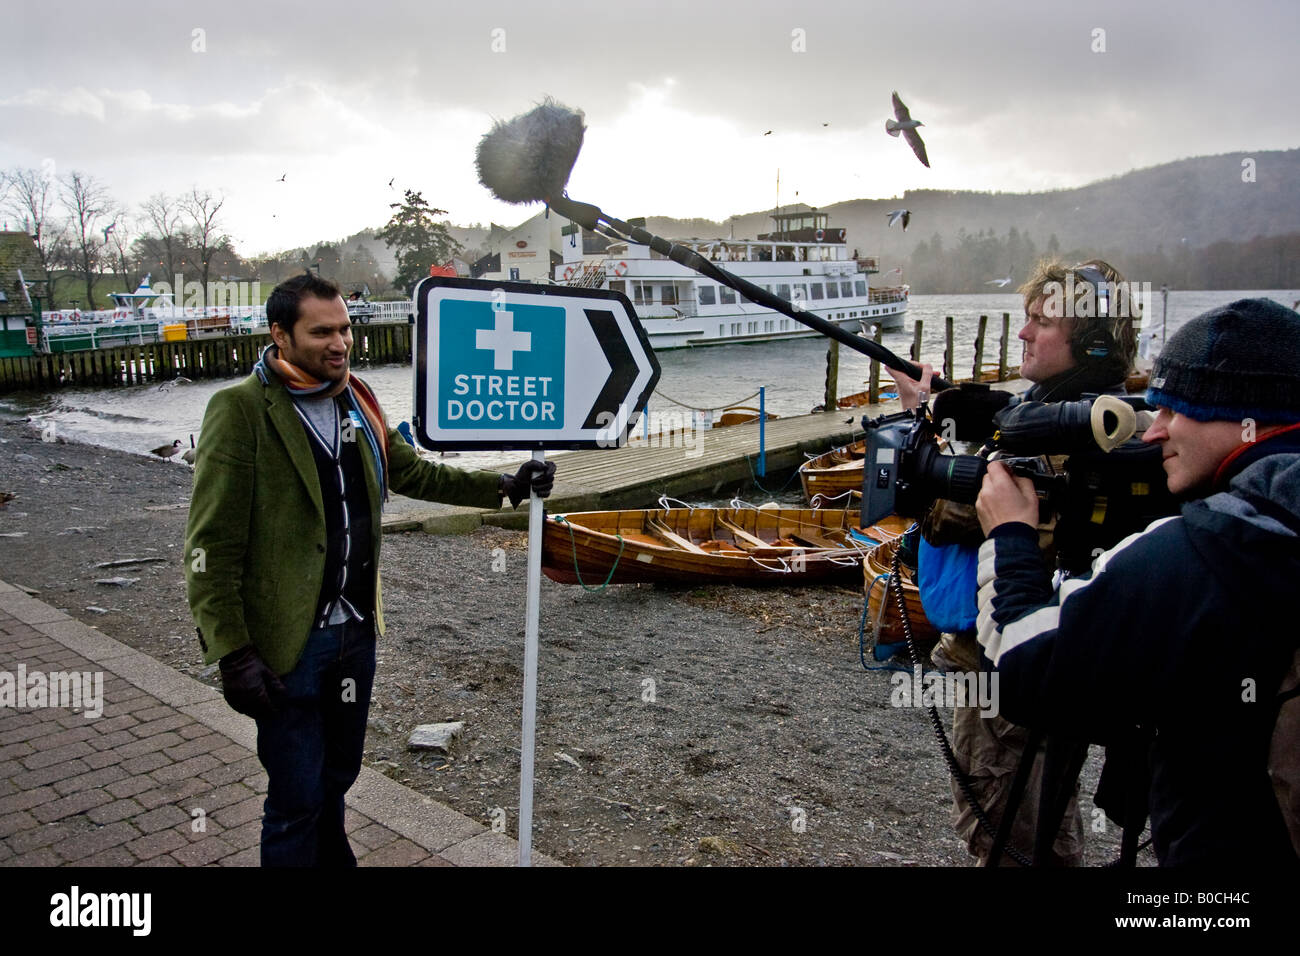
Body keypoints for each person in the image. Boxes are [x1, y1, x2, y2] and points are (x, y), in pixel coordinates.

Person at [185, 272, 555, 867]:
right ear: (280, 334)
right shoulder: (240, 410)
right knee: (295, 796)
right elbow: (210, 545)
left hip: (354, 635)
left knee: (337, 776)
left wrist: (505, 485)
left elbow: (415, 473)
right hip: (287, 642)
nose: (340, 344)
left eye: (346, 329)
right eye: (322, 332)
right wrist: (232, 652)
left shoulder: (356, 400)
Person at [974, 297, 1300, 865]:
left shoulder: (1200, 552)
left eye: (1176, 410)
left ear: (1248, 417)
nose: (1154, 433)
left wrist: (1009, 535)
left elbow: (1025, 667)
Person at [886, 258, 1139, 866]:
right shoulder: (1100, 414)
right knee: (1039, 816)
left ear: (1093, 341)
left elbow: (947, 510)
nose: (1022, 334)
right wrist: (943, 410)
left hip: (1010, 668)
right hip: (1050, 659)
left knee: (1007, 835)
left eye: (1039, 322)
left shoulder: (1067, 434)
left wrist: (924, 428)